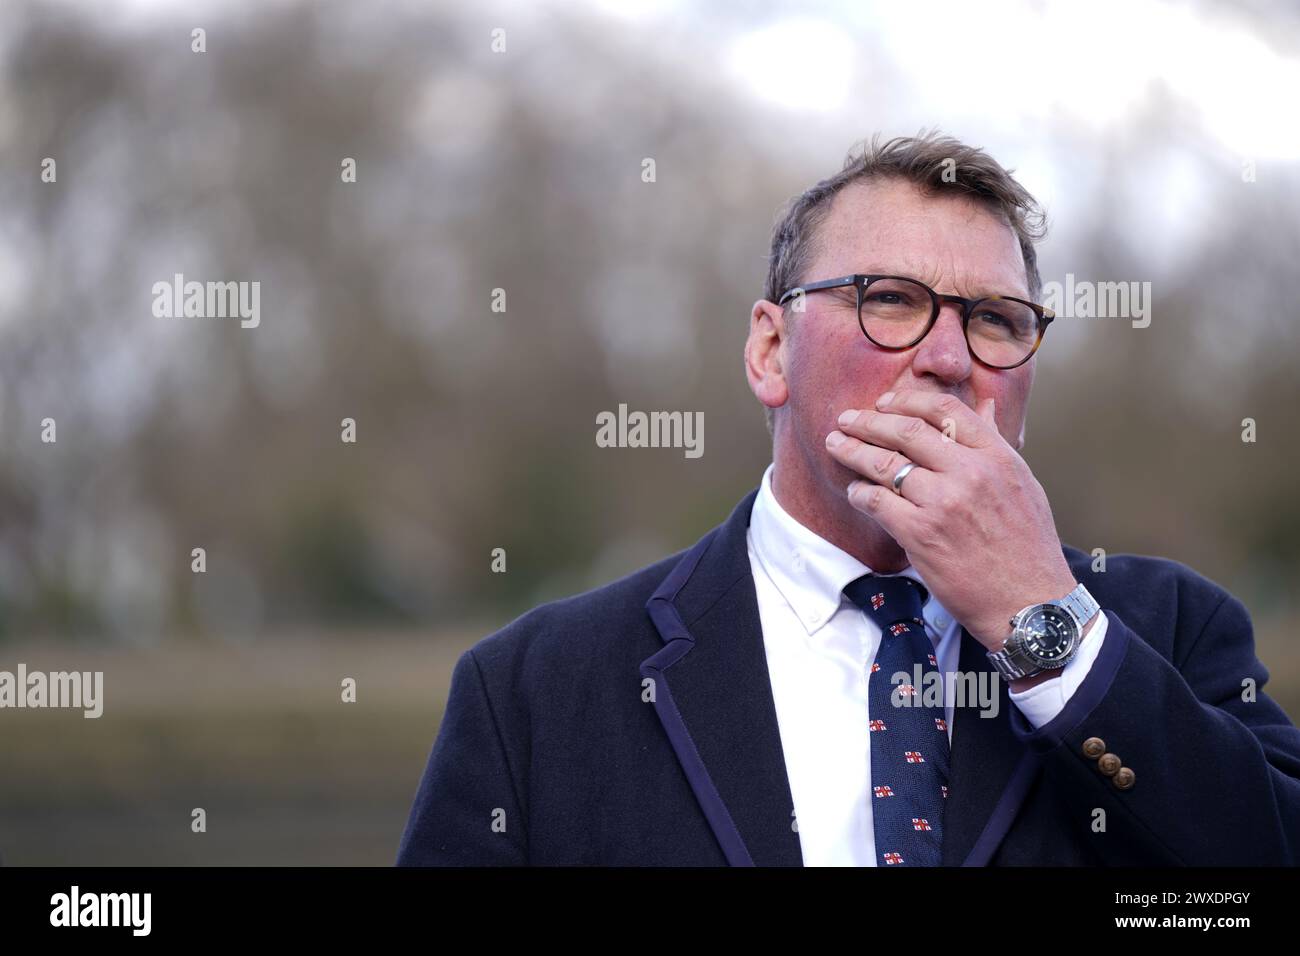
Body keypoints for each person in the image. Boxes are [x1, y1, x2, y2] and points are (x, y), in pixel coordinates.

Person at [396, 131, 1300, 866]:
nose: (949, 359)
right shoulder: (534, 689)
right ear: (770, 350)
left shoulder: (1171, 631)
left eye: (996, 320)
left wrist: (1042, 624)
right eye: (891, 300)